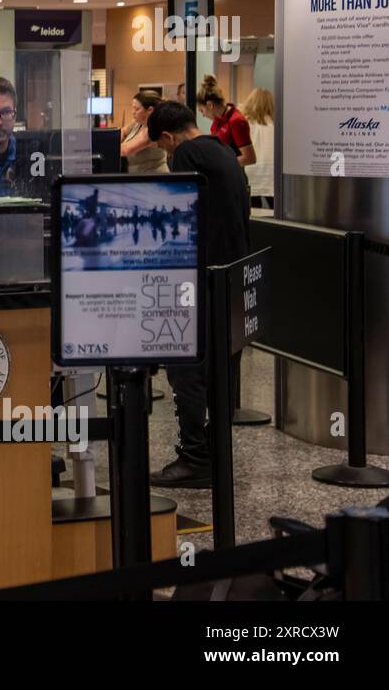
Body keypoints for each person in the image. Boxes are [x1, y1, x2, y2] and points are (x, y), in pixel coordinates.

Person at [145, 100, 251, 488]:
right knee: (217, 373)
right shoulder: (221, 148)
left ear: (170, 137)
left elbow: (177, 219)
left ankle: (194, 458)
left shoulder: (187, 154)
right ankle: (213, 453)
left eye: (163, 147)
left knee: (186, 369)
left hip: (200, 279)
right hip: (229, 276)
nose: (167, 154)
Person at [197, 74, 255, 168]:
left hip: (234, 178)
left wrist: (220, 165)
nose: (203, 116)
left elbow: (249, 158)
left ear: (210, 105)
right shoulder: (217, 120)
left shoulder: (237, 121)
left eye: (202, 111)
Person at [120, 91, 168, 174]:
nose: (133, 112)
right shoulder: (138, 122)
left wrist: (107, 147)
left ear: (150, 110)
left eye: (137, 109)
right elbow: (123, 131)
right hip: (138, 176)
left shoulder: (152, 130)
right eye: (133, 108)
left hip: (153, 179)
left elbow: (125, 150)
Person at [242, 87, 274, 209]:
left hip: (252, 172)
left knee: (253, 211)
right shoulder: (276, 124)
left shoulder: (244, 124)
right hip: (271, 174)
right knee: (275, 211)